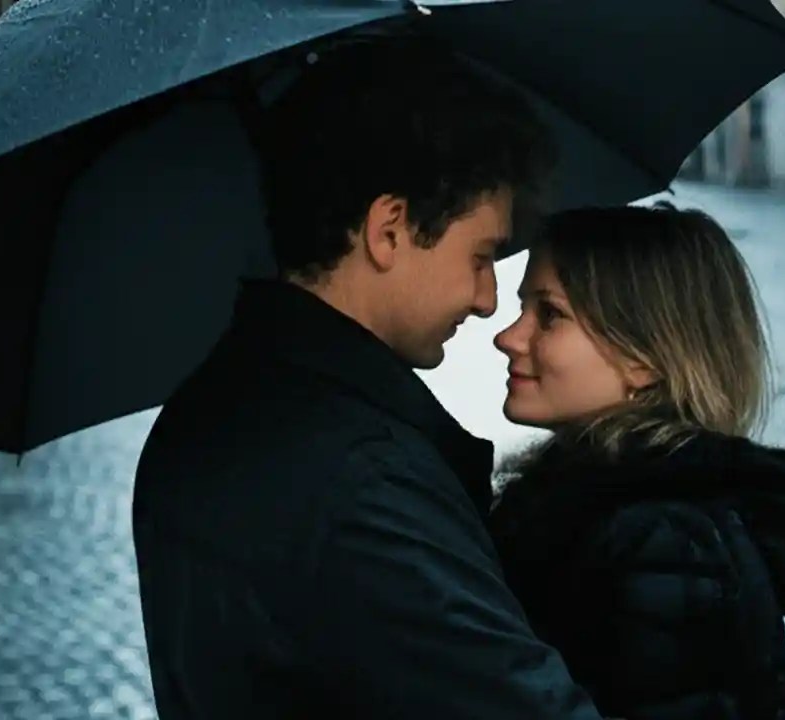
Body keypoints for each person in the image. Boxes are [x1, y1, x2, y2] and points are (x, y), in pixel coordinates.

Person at [132, 39, 603, 719]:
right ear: (389, 229)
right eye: (481, 256)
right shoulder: (360, 478)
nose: (485, 299)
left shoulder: (213, 405)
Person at [489, 203, 785, 720]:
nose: (508, 337)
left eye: (549, 314)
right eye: (521, 309)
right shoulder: (594, 510)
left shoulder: (666, 540)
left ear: (643, 360)